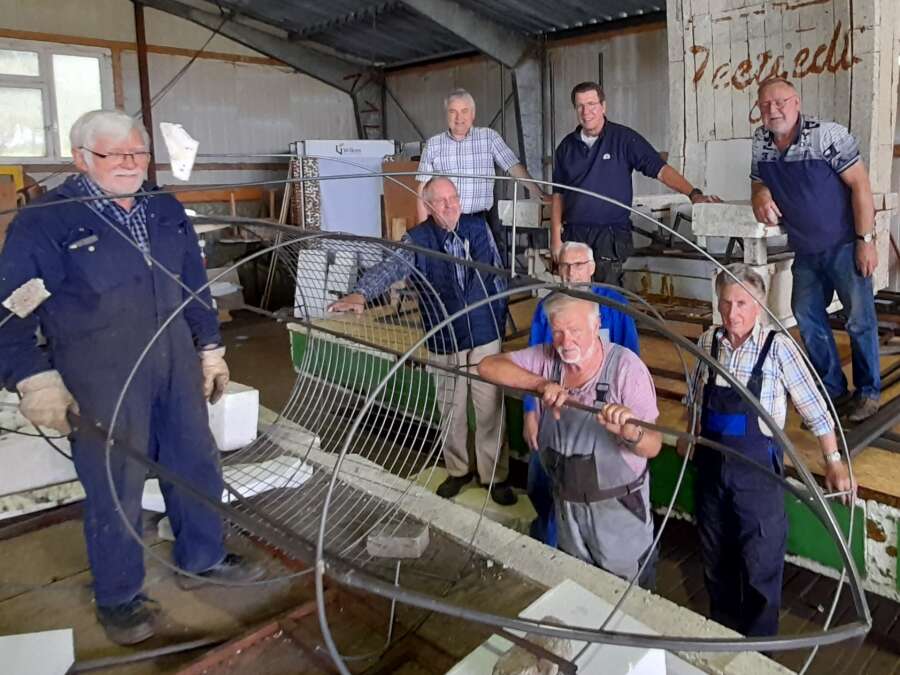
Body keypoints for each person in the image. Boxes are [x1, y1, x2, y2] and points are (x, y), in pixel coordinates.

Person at [0, 110, 262, 646]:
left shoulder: (163, 208)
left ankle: (203, 556)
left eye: (137, 153)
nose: (129, 163)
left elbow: (194, 283)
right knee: (115, 485)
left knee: (195, 461)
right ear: (80, 158)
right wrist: (34, 380)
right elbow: (10, 313)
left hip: (174, 364)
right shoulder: (46, 221)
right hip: (101, 376)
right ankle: (119, 595)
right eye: (113, 153)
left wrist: (209, 348)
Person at [681, 263, 854, 636]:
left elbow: (816, 410)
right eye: (726, 303)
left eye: (742, 303)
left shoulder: (778, 349)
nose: (733, 313)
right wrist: (688, 433)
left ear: (758, 306)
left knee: (760, 563)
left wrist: (834, 461)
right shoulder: (708, 342)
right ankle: (722, 636)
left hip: (756, 477)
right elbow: (694, 398)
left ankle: (759, 651)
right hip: (711, 469)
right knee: (715, 559)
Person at [329, 177, 515, 505]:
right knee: (452, 410)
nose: (449, 205)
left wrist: (499, 322)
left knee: (489, 409)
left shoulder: (478, 228)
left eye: (453, 197)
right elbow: (390, 268)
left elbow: (496, 275)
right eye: (441, 201)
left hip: (484, 334)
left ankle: (494, 477)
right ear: (428, 207)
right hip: (444, 338)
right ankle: (459, 471)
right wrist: (361, 293)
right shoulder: (417, 239)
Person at [479, 294, 661, 588]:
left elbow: (652, 445)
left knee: (626, 606)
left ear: (596, 325)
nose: (565, 342)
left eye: (575, 331)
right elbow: (487, 366)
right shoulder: (547, 360)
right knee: (577, 594)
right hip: (569, 520)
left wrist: (630, 433)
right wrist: (539, 384)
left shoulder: (626, 369)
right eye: (558, 331)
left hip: (619, 520)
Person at [751, 77, 880, 422]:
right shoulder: (761, 142)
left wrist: (865, 241)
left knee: (859, 321)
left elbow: (860, 187)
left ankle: (868, 393)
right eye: (765, 105)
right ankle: (833, 390)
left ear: (796, 102)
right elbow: (758, 180)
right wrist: (761, 193)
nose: (772, 110)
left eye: (780, 102)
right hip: (805, 251)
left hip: (845, 245)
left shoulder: (828, 135)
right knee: (807, 317)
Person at [523, 241, 640, 546]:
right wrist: (530, 413)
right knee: (542, 482)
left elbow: (632, 361)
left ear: (592, 268)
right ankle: (547, 548)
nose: (572, 272)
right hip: (554, 408)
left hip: (600, 415)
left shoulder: (614, 305)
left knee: (595, 487)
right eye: (565, 266)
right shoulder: (546, 308)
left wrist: (629, 415)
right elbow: (534, 364)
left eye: (578, 266)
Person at [551, 81, 720, 285]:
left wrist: (693, 194)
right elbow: (558, 194)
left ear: (603, 106)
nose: (587, 111)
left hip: (610, 235)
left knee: (609, 298)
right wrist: (555, 239)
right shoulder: (565, 148)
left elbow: (660, 170)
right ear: (575, 109)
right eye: (580, 106)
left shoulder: (624, 139)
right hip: (574, 234)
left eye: (592, 104)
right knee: (574, 297)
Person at [416, 88, 547, 261]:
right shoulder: (433, 144)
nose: (459, 118)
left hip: (481, 220)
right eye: (453, 112)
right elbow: (422, 190)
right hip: (445, 221)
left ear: (473, 114)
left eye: (464, 111)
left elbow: (513, 167)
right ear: (446, 115)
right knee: (448, 270)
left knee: (487, 271)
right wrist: (423, 230)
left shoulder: (489, 138)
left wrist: (540, 194)